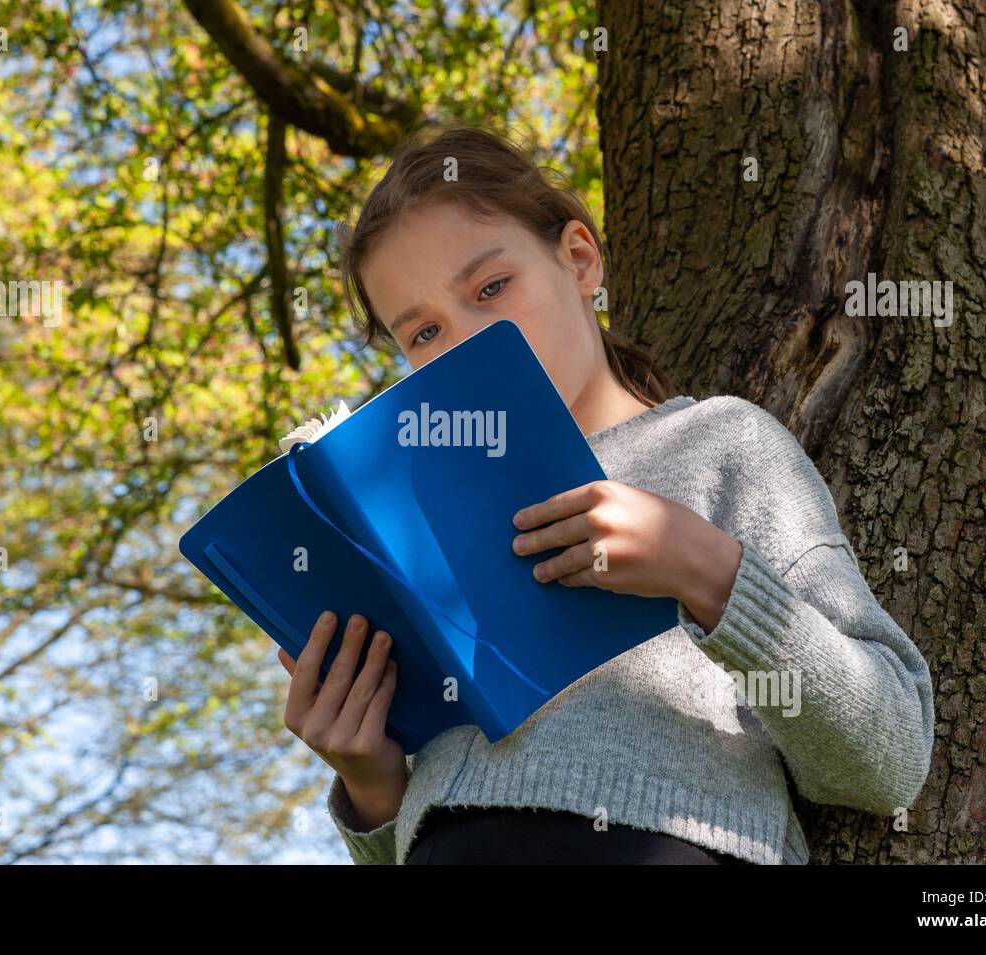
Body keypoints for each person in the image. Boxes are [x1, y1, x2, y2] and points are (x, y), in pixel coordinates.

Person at [276, 122, 935, 864]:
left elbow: (890, 757)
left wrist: (706, 571)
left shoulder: (721, 445)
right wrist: (372, 786)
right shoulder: (412, 522)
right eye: (424, 332)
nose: (464, 343)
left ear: (580, 260)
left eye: (492, 287)